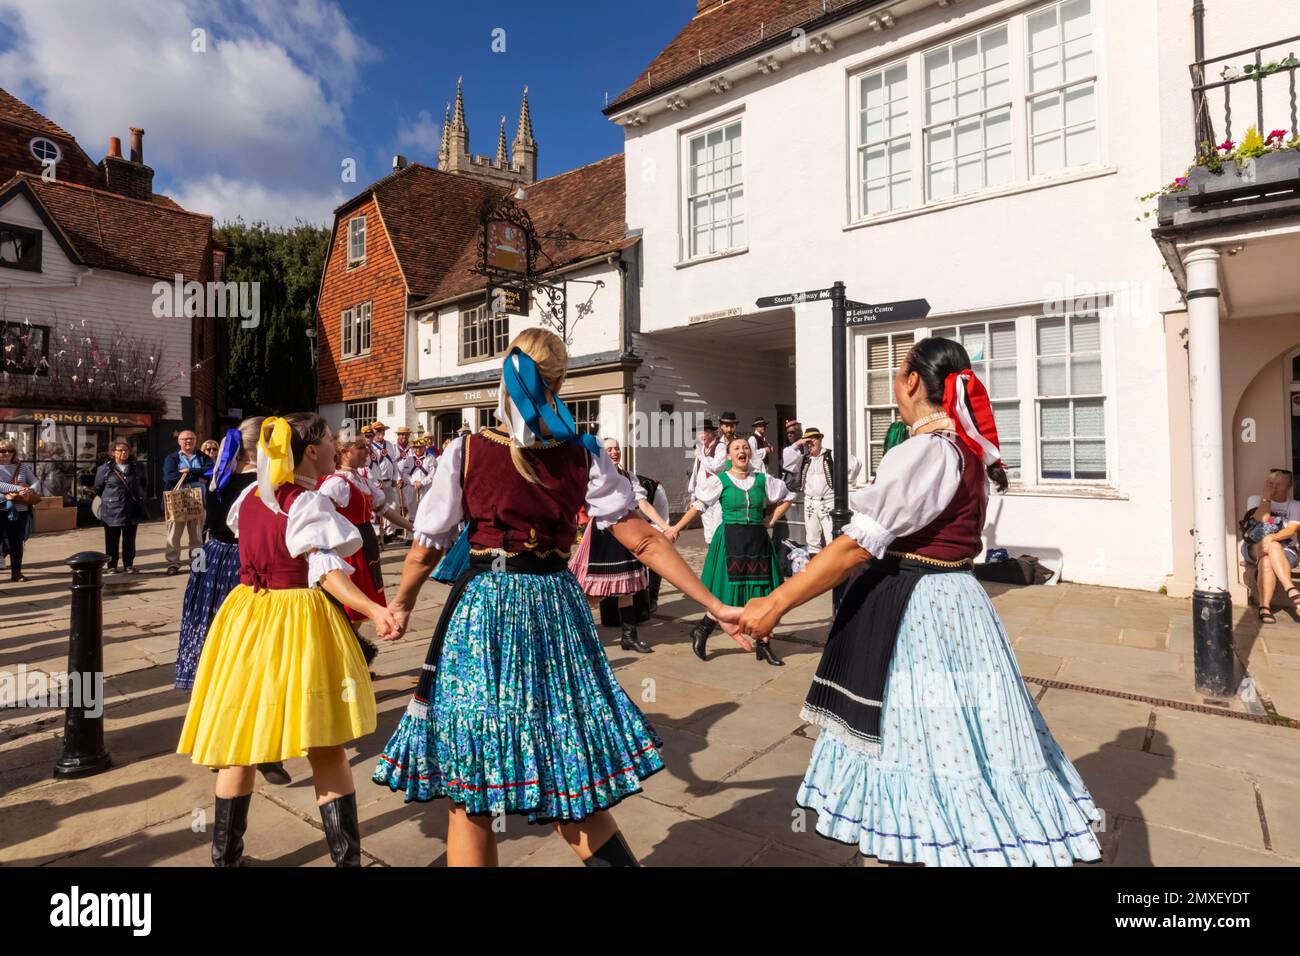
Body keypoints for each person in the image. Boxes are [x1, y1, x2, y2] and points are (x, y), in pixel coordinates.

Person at [372, 329, 746, 867]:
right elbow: (641, 537)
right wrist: (714, 603)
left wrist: (403, 603)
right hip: (555, 608)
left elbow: (425, 548)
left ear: (506, 378)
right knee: (570, 770)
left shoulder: (468, 449)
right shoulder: (584, 454)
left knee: (472, 794)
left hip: (486, 613)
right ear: (561, 382)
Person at [738, 337, 1102, 866]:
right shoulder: (964, 449)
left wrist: (774, 604)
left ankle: (929, 837)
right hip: (957, 600)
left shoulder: (926, 451)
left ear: (911, 382)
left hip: (920, 608)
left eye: (898, 373)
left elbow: (855, 546)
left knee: (917, 736)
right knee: (964, 733)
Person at [177, 414, 399, 867]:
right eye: (328, 441)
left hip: (246, 615)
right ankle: (347, 862)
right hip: (297, 619)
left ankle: (226, 860)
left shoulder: (250, 497)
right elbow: (325, 568)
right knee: (326, 744)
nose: (336, 447)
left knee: (241, 741)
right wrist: (375, 609)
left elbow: (247, 540)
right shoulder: (305, 503)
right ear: (309, 451)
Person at [671, 436, 794, 666]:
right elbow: (699, 506)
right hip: (730, 540)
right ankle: (703, 629)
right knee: (726, 594)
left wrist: (770, 520)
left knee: (762, 595)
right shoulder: (721, 481)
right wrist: (676, 527)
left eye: (745, 447)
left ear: (750, 454)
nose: (742, 451)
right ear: (729, 456)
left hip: (757, 540)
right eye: (736, 448)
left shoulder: (762, 480)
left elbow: (787, 497)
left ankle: (764, 645)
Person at [319, 436, 414, 666]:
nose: (367, 452)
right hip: (348, 549)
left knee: (359, 611)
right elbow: (321, 516)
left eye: (367, 448)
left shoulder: (361, 479)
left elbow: (384, 510)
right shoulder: (336, 483)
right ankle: (345, 662)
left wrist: (414, 528)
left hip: (366, 545)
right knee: (350, 609)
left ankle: (350, 660)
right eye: (360, 448)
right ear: (343, 451)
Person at [569, 437, 657, 654]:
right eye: (609, 449)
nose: (615, 452)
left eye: (617, 448)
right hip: (602, 533)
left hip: (625, 533)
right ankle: (577, 637)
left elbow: (642, 503)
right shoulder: (594, 476)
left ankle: (629, 637)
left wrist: (664, 527)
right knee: (594, 589)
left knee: (625, 587)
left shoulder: (628, 476)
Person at [782, 426, 861, 556]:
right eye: (808, 440)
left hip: (828, 502)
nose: (810, 443)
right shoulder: (803, 459)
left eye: (813, 439)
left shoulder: (831, 455)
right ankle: (815, 565)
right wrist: (798, 443)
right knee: (812, 540)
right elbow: (786, 461)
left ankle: (833, 568)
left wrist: (846, 481)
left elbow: (855, 465)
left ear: (820, 439)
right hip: (810, 503)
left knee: (832, 538)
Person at [1241, 468, 1300, 623]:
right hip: (1255, 546)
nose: (1273, 487)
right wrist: (1266, 498)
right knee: (1271, 546)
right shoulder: (1255, 499)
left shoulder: (1295, 505)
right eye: (1270, 483)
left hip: (1287, 550)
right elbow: (1262, 521)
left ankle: (1264, 607)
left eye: (1278, 484)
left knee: (1268, 557)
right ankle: (1289, 587)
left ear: (1289, 486)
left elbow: (1291, 530)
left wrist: (1272, 537)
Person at [93, 441, 147, 574]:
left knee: (129, 539)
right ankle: (112, 566)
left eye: (126, 450)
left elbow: (144, 483)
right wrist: (112, 499)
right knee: (112, 539)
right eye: (120, 450)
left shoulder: (136, 467)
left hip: (131, 508)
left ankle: (128, 565)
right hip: (112, 509)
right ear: (113, 453)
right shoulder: (104, 469)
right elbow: (98, 488)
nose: (124, 453)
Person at [163, 430, 212, 575]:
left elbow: (210, 471)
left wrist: (189, 470)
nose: (188, 441)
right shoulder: (171, 458)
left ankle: (197, 563)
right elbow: (170, 477)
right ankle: (173, 563)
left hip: (198, 500)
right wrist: (197, 475)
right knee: (174, 534)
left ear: (196, 440)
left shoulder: (202, 456)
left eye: (191, 439)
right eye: (185, 439)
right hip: (177, 499)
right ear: (179, 441)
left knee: (197, 534)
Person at [0, 442, 38, 581]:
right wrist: (19, 489)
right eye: (3, 451)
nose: (7, 453)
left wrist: (31, 489)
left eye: (10, 450)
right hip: (1, 508)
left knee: (17, 542)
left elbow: (35, 481)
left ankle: (16, 573)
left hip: (20, 510)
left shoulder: (22, 467)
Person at [686, 418, 728, 544]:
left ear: (711, 433)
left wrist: (701, 456)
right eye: (699, 433)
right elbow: (696, 472)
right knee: (708, 533)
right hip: (703, 496)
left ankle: (720, 560)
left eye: (703, 432)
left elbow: (716, 467)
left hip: (716, 496)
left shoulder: (720, 447)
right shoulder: (701, 449)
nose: (700, 436)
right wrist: (693, 495)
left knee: (718, 529)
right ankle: (712, 559)